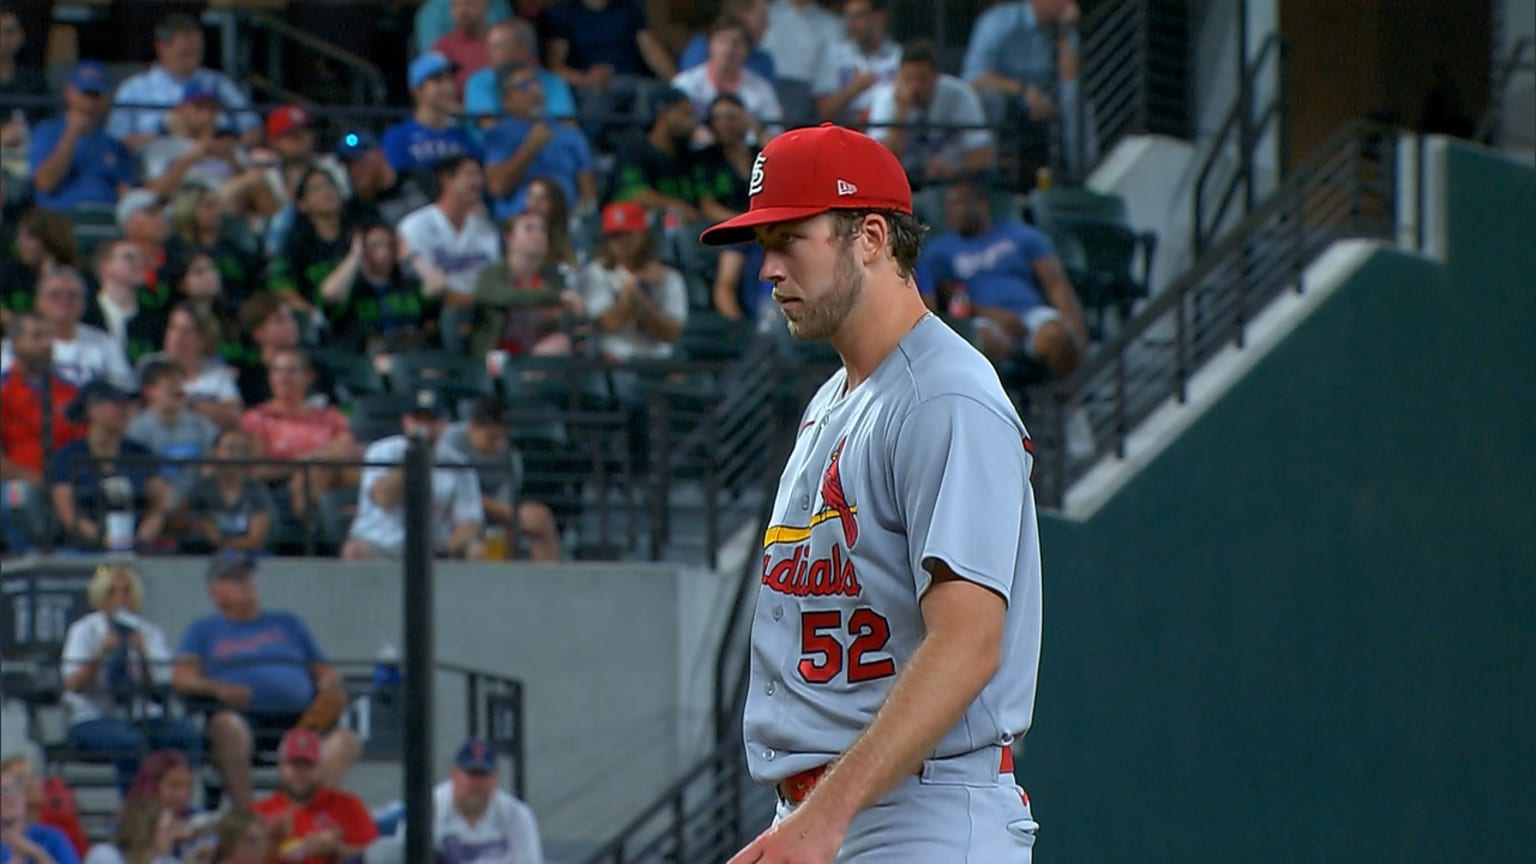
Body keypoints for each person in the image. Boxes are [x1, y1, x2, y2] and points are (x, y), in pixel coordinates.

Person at [698, 124, 1042, 861]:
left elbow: (969, 642)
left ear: (871, 237)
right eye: (763, 245)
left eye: (789, 240)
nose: (767, 269)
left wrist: (824, 816)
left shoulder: (945, 397)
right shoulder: (834, 399)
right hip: (847, 808)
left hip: (922, 811)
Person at [171, 552, 361, 811]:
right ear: (215, 593)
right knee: (226, 727)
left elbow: (325, 671)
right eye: (235, 578)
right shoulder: (203, 630)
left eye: (248, 576)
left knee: (345, 741)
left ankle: (305, 816)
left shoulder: (289, 623)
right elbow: (182, 677)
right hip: (245, 718)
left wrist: (329, 686)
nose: (246, 582)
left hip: (302, 718)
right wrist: (220, 689)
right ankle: (251, 818)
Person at [916, 180, 1086, 376]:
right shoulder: (939, 252)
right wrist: (994, 315)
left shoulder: (1021, 235)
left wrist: (1076, 331)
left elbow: (1056, 285)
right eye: (948, 206)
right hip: (983, 320)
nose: (951, 211)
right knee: (984, 340)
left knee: (1056, 337)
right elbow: (952, 303)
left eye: (959, 203)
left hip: (1031, 313)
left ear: (982, 204)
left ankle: (1058, 389)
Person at [60, 563, 203, 794]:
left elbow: (162, 685)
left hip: (142, 714)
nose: (121, 598)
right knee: (130, 742)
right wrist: (100, 654)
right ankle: (135, 807)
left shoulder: (148, 632)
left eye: (127, 591)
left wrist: (143, 654)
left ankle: (182, 799)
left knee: (185, 734)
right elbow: (73, 684)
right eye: (112, 592)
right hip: (94, 716)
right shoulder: (84, 630)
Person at [342, 388, 486, 561]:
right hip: (379, 545)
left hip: (432, 551)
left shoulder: (458, 464)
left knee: (476, 550)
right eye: (418, 420)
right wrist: (414, 456)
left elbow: (470, 519)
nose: (423, 427)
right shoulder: (381, 451)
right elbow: (383, 498)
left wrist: (451, 546)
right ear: (406, 422)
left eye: (431, 420)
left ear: (443, 425)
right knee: (354, 550)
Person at [372, 738, 543, 864]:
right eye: (471, 775)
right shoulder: (427, 809)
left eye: (483, 776)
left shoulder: (516, 816)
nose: (476, 784)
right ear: (454, 774)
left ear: (495, 779)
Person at [49, 380, 171, 552]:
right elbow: (68, 513)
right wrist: (106, 541)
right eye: (116, 404)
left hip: (137, 549)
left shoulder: (139, 454)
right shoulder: (68, 457)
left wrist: (141, 538)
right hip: (83, 551)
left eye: (126, 405)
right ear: (92, 409)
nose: (124, 411)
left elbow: (159, 505)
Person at [108, 14, 261, 149]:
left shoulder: (219, 83)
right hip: (158, 164)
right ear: (161, 48)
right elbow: (116, 141)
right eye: (185, 54)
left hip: (218, 161)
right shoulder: (134, 89)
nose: (193, 61)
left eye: (198, 53)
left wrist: (229, 147)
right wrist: (169, 138)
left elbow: (254, 129)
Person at [396, 155, 501, 354]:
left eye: (480, 175)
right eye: (470, 175)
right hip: (431, 317)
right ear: (446, 179)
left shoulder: (486, 230)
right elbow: (422, 287)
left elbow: (494, 281)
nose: (478, 182)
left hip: (482, 315)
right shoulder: (415, 226)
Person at [438, 396, 562, 562]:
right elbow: (443, 492)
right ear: (473, 427)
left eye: (502, 437)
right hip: (453, 517)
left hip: (489, 517)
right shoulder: (449, 441)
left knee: (540, 519)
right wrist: (474, 501)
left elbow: (504, 507)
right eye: (492, 437)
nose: (498, 444)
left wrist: (480, 501)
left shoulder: (509, 456)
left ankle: (543, 578)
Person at [866, 40, 996, 187]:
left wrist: (954, 168)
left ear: (936, 76)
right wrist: (901, 113)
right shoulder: (886, 98)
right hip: (901, 183)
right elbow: (880, 162)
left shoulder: (960, 94)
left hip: (950, 182)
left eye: (922, 79)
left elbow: (984, 154)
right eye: (908, 79)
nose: (915, 87)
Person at [577, 201, 686, 363]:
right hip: (613, 362)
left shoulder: (669, 277)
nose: (620, 242)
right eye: (614, 235)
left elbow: (671, 334)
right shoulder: (596, 273)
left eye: (627, 234)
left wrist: (639, 298)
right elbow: (609, 323)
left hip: (658, 363)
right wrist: (630, 297)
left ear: (643, 234)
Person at [251, 729, 377, 864]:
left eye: (308, 764)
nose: (301, 772)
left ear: (321, 768)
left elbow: (376, 856)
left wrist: (335, 850)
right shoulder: (258, 812)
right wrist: (272, 842)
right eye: (294, 764)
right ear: (281, 766)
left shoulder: (349, 806)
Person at [26, 61, 135, 212]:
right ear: (68, 93)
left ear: (106, 99)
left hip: (106, 216)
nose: (89, 103)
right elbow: (44, 183)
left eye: (96, 96)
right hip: (61, 217)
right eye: (85, 94)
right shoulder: (46, 132)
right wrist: (71, 134)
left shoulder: (114, 144)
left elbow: (126, 192)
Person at [671, 17, 782, 140]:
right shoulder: (685, 84)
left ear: (747, 51)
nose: (728, 49)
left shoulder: (762, 89)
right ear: (709, 45)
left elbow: (774, 133)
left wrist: (754, 128)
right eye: (722, 41)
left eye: (736, 43)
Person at [173, 429, 276, 553]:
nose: (238, 455)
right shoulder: (202, 487)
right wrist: (201, 525)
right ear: (215, 452)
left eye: (243, 450)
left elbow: (256, 540)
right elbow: (175, 522)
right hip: (204, 554)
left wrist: (221, 542)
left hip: (246, 555)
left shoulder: (256, 489)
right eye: (231, 449)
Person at [813, 0, 901, 125]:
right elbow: (823, 112)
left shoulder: (898, 57)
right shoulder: (833, 55)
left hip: (886, 128)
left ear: (879, 18)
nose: (852, 24)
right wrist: (854, 88)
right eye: (849, 17)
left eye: (859, 16)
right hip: (845, 130)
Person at [0, 761, 78, 864]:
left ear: (24, 797)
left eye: (14, 790)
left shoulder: (51, 837)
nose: (9, 797)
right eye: (2, 792)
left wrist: (37, 854)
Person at [80, 793, 178, 864]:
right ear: (147, 829)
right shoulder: (104, 856)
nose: (174, 835)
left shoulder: (169, 862)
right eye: (168, 829)